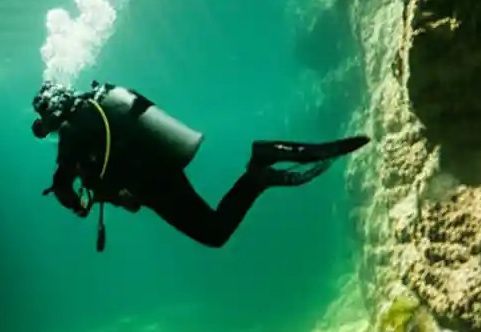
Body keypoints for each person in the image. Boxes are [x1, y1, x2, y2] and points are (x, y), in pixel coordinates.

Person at [30, 79, 369, 250]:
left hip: (152, 184)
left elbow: (62, 185)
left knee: (214, 233)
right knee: (213, 226)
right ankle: (259, 173)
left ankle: (260, 167)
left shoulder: (71, 134)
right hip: (163, 164)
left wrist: (78, 206)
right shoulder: (96, 102)